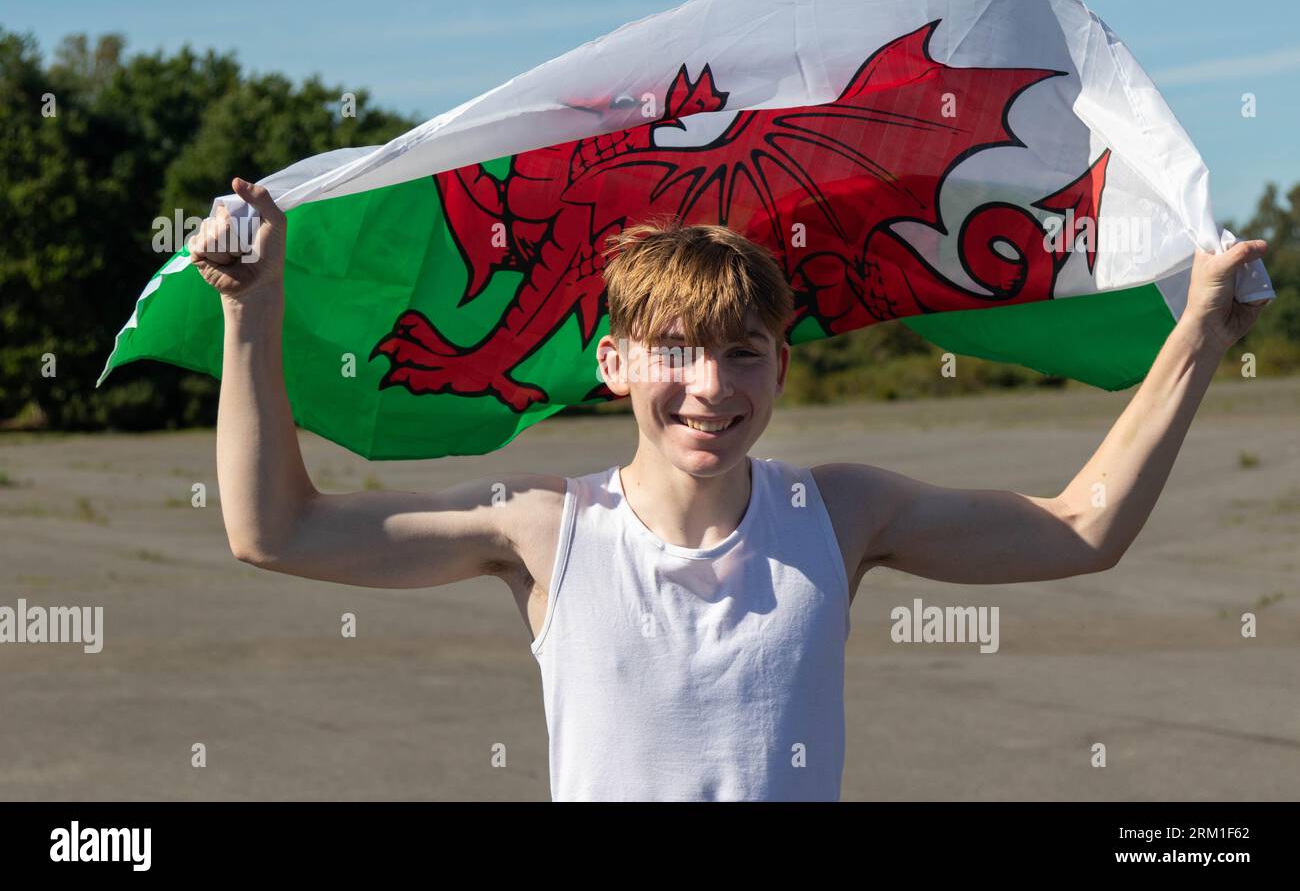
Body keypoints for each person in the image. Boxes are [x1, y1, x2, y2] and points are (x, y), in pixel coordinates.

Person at [190, 176, 1270, 801]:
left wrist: (1200, 334)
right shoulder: (541, 526)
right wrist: (252, 308)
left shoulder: (839, 513)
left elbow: (1081, 527)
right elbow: (273, 528)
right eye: (674, 351)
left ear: (780, 367)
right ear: (613, 365)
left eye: (742, 352)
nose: (709, 386)